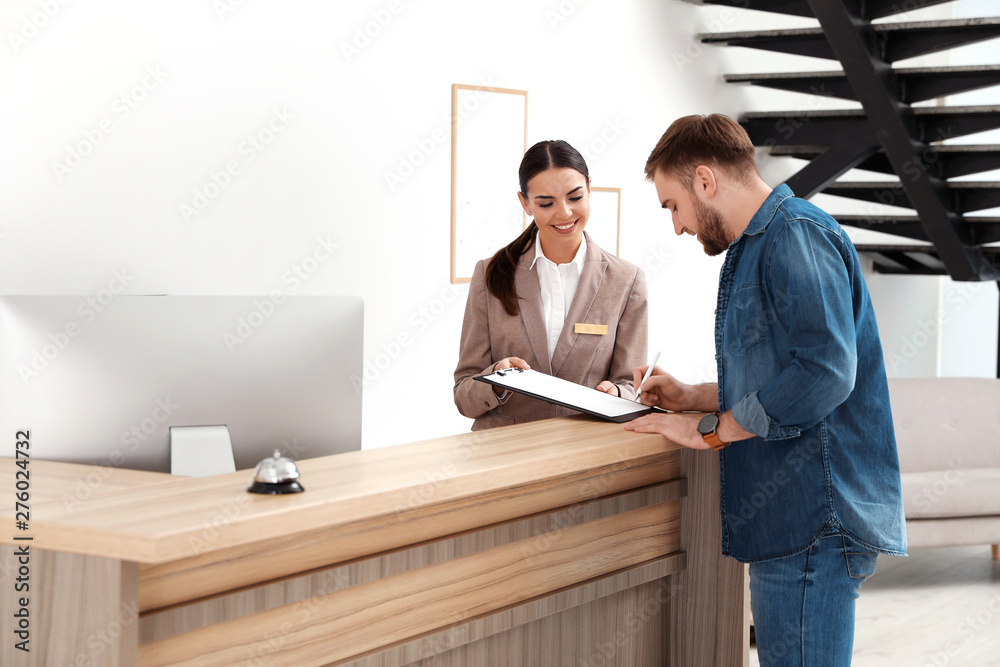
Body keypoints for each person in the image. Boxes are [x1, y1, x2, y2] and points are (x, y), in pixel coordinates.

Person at [626, 114, 906, 665]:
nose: (678, 227)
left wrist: (712, 431)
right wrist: (694, 397)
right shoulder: (758, 245)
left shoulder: (795, 235)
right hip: (793, 519)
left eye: (672, 206)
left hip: (813, 519)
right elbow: (781, 372)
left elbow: (826, 370)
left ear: (705, 181)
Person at [454, 139, 648, 430]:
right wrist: (495, 380)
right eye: (546, 203)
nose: (565, 213)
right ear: (525, 204)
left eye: (575, 197)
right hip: (503, 455)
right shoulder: (490, 274)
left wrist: (618, 393)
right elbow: (463, 395)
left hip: (584, 455)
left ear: (590, 189)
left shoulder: (626, 280)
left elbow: (632, 386)